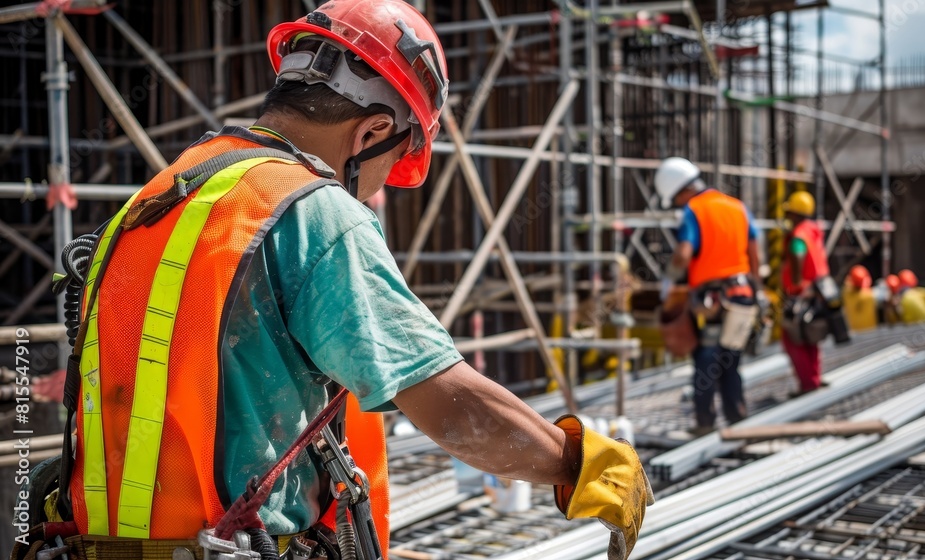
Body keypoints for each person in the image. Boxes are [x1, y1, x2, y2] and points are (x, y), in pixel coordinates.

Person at [21, 3, 651, 559]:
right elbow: (448, 403)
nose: (378, 190)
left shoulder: (161, 197)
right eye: (391, 163)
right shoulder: (309, 210)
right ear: (373, 132)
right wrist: (578, 464)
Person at [655, 157, 761, 436]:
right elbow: (753, 249)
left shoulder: (694, 210)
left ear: (681, 191)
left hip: (712, 302)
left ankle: (705, 423)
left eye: (675, 200)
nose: (677, 205)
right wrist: (756, 287)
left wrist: (669, 280)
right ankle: (738, 422)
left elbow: (683, 254)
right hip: (742, 295)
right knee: (731, 360)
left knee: (706, 360)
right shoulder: (737, 206)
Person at [779, 191, 829, 395]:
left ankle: (808, 384)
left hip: (801, 294)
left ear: (796, 213)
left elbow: (798, 253)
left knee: (793, 339)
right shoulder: (813, 231)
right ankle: (814, 378)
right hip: (817, 291)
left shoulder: (799, 235)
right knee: (811, 336)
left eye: (789, 212)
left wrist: (796, 283)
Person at [842, 265, 877, 332]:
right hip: (871, 333)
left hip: (854, 333)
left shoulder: (846, 294)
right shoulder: (869, 295)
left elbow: (847, 285)